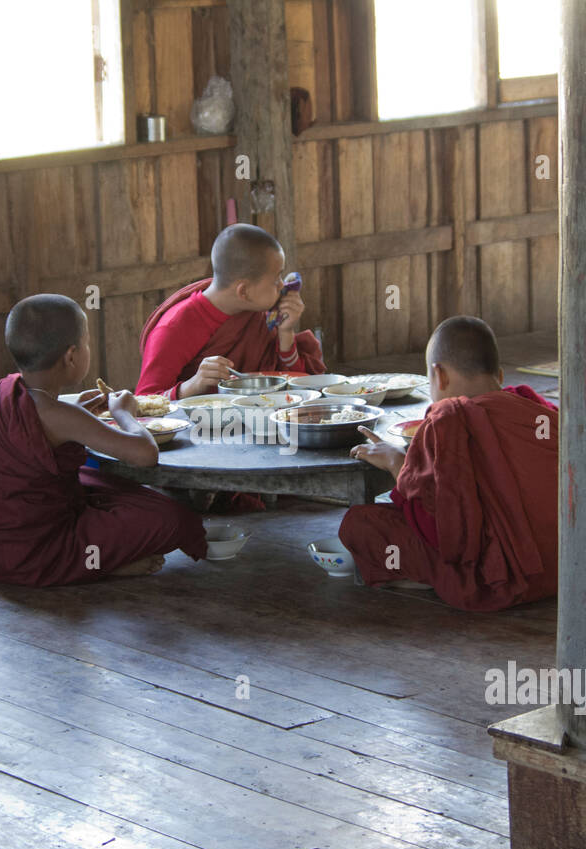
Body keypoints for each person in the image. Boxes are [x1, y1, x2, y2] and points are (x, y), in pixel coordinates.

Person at [0, 294, 207, 585]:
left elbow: (43, 431)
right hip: (32, 552)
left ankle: (95, 560)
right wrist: (126, 413)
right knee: (171, 518)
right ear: (72, 356)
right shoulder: (57, 414)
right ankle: (93, 565)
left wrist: (78, 412)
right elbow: (145, 455)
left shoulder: (6, 393)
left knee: (103, 483)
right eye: (87, 343)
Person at [338, 316, 558, 611]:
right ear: (501, 375)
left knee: (359, 524)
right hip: (564, 568)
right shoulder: (537, 407)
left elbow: (443, 534)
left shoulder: (447, 421)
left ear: (438, 375)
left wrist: (397, 464)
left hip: (500, 581)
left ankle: (432, 581)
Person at [136, 224, 326, 399]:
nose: (282, 285)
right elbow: (144, 403)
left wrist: (286, 332)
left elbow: (292, 386)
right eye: (276, 278)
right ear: (243, 291)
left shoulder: (256, 310)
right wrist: (192, 385)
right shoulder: (175, 327)